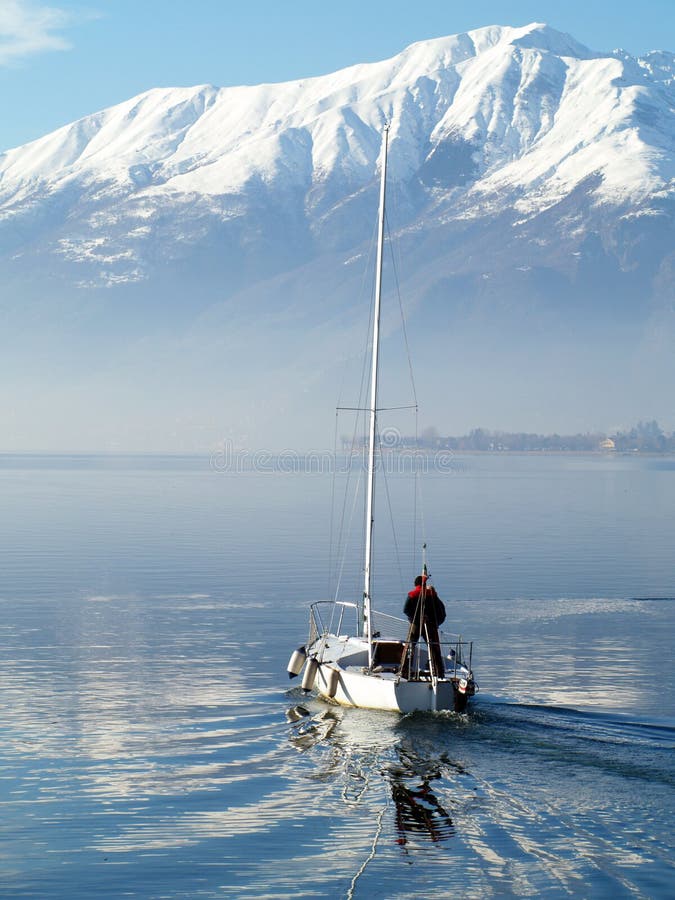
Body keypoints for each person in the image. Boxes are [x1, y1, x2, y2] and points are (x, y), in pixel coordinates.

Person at [401, 574, 446, 678]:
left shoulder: (412, 594)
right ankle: (438, 672)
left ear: (415, 584)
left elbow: (405, 610)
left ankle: (404, 671)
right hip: (430, 625)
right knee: (434, 647)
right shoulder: (432, 594)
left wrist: (414, 618)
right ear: (424, 583)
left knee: (410, 646)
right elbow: (440, 609)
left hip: (415, 625)